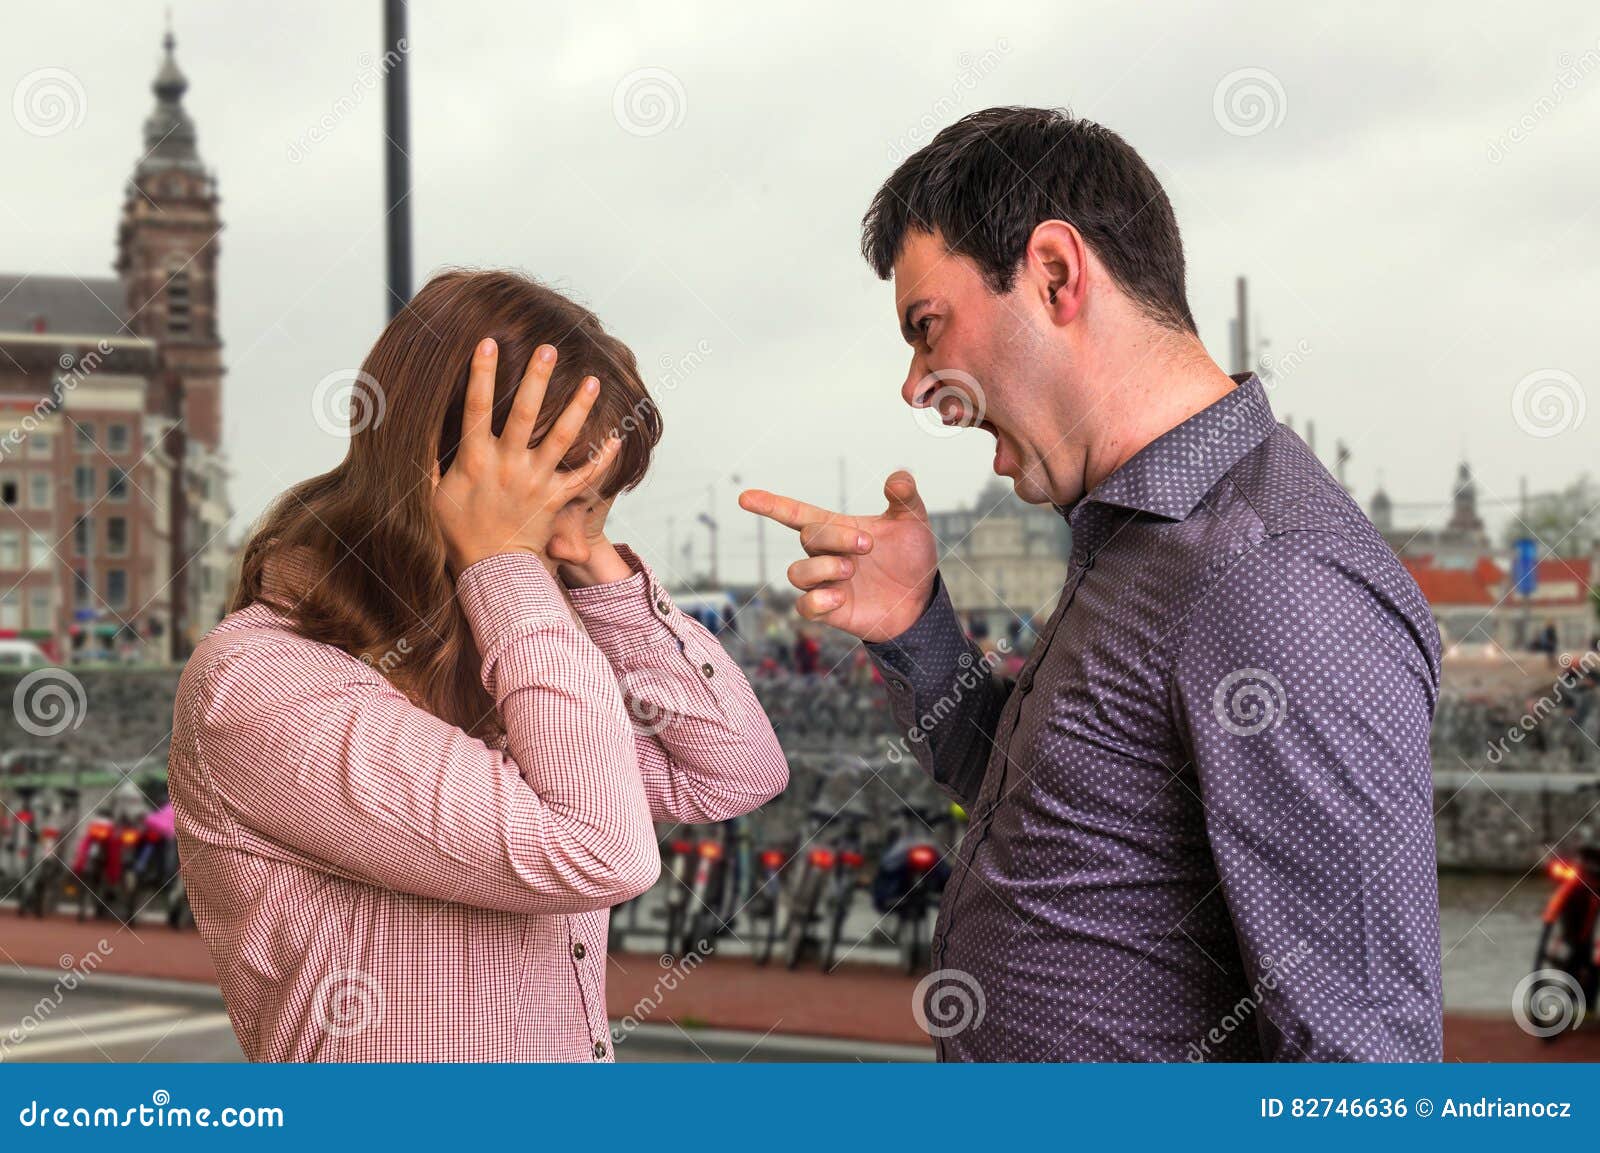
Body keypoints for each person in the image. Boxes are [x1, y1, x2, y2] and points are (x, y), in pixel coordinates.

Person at [741, 108, 1443, 1061]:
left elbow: (1367, 1074)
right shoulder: (1138, 536)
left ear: (1056, 276)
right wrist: (917, 625)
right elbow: (1048, 795)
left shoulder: (1273, 577)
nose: (914, 383)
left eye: (926, 325)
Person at [168, 270, 788, 1061]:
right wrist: (501, 560)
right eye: (557, 499)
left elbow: (733, 771)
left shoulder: (494, 655)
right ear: (447, 469)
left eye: (595, 503)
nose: (566, 542)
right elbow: (604, 849)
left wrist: (597, 564)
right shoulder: (261, 685)